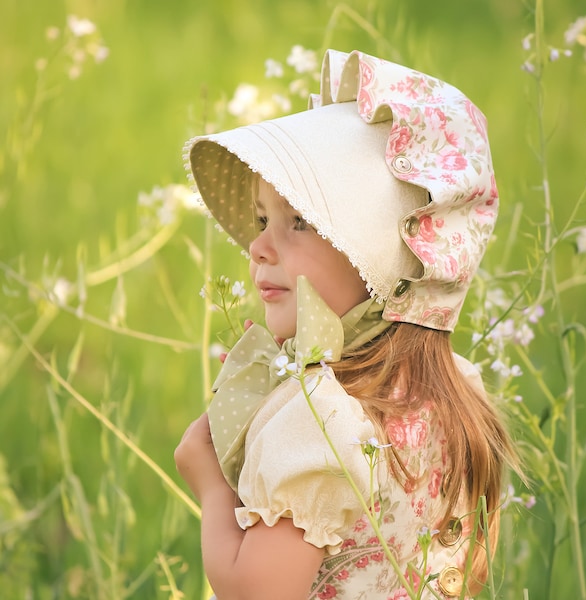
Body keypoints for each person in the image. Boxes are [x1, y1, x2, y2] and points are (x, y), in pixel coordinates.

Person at [175, 49, 517, 600]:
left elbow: (255, 592)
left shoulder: (320, 417)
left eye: (300, 223)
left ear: (379, 256)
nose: (259, 247)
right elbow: (464, 573)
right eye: (263, 220)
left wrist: (211, 482)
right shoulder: (456, 391)